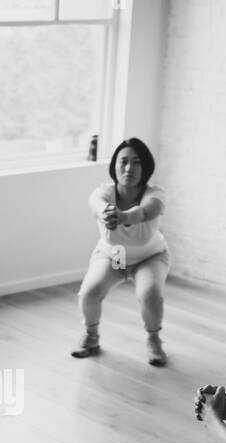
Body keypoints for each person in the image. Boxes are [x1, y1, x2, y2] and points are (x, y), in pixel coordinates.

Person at [71, 138, 171, 367]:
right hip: (113, 256)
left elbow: (147, 211)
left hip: (150, 257)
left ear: (145, 167)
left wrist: (124, 216)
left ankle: (154, 340)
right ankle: (91, 336)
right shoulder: (103, 193)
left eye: (136, 163)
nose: (129, 168)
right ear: (114, 165)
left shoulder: (156, 194)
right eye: (123, 161)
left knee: (150, 294)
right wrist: (105, 212)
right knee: (88, 293)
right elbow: (96, 204)